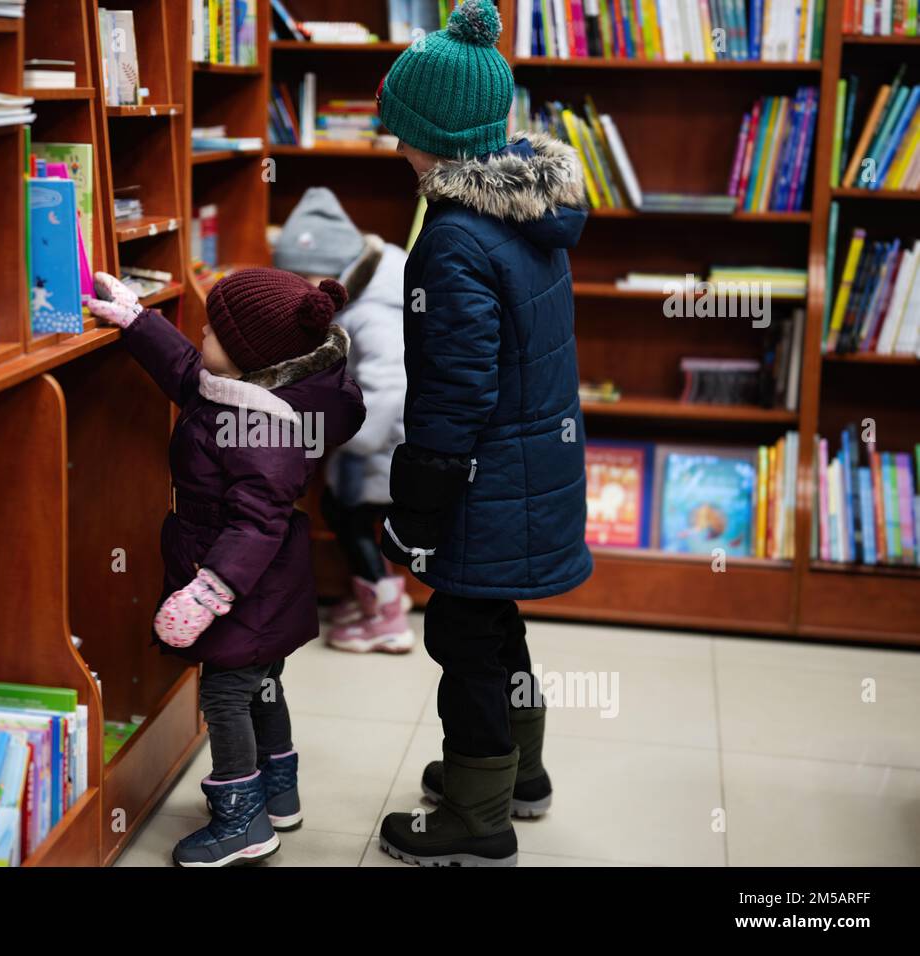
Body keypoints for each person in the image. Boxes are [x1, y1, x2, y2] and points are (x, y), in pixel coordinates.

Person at [371, 0, 591, 866]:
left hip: (481, 477)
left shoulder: (453, 239)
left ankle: (475, 819)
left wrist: (416, 506)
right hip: (527, 466)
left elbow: (457, 389)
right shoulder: (527, 208)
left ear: (434, 137)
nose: (395, 147)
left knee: (461, 639)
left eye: (402, 131)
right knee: (496, 625)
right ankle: (517, 777)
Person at [86, 268, 365, 867]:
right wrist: (138, 321)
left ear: (247, 360)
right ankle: (278, 790)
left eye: (213, 331)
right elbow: (191, 374)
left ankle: (241, 820)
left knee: (225, 693)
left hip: (243, 584)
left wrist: (210, 591)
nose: (202, 333)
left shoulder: (261, 427)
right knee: (263, 683)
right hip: (269, 584)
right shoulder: (249, 390)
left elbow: (256, 522)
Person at [273, 187, 413, 653]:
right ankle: (375, 595)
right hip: (374, 438)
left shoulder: (374, 312)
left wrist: (348, 438)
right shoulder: (364, 287)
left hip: (384, 441)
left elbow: (389, 384)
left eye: (307, 278)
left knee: (350, 516)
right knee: (346, 512)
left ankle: (387, 617)